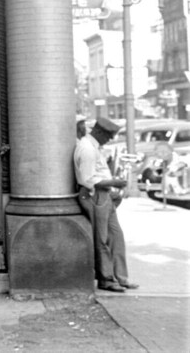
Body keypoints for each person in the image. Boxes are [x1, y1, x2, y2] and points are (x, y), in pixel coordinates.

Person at [74, 117, 139, 293]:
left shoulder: (93, 147)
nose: (110, 139)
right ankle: (106, 278)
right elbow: (87, 180)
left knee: (115, 236)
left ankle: (120, 277)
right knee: (101, 239)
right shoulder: (87, 149)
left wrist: (111, 186)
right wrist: (114, 183)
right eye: (109, 135)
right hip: (94, 195)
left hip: (103, 195)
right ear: (99, 132)